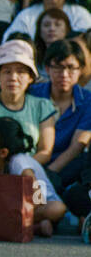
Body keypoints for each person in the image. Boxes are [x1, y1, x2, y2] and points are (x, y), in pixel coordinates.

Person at [0, 117, 67, 237]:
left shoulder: (19, 162)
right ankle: (34, 228)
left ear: (3, 152)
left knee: (57, 208)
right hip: (11, 208)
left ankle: (10, 225)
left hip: (36, 206)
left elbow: (37, 197)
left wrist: (16, 211)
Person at [0, 40, 57, 164]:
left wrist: (21, 169)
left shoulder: (42, 106)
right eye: (7, 71)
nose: (13, 77)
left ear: (30, 77)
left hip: (29, 173)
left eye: (21, 72)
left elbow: (45, 152)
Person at [31, 39, 91, 193]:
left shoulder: (88, 100)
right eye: (58, 67)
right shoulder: (32, 94)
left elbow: (78, 145)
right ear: (47, 69)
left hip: (65, 165)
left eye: (71, 68)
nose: (64, 74)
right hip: (32, 162)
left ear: (81, 70)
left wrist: (47, 174)